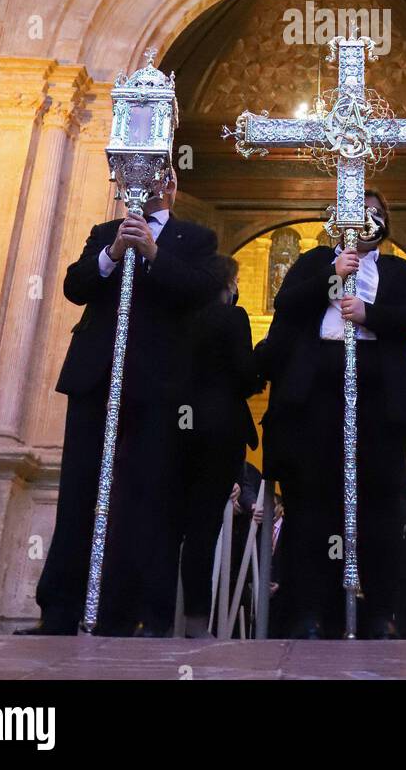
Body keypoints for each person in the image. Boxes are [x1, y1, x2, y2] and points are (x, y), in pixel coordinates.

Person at [20, 169, 220, 636]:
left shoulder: (196, 237)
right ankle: (60, 610)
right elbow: (75, 286)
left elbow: (200, 290)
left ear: (169, 184)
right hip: (96, 378)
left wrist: (153, 255)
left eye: (156, 178)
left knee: (145, 498)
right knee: (79, 495)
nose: (146, 186)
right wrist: (112, 255)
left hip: (156, 387)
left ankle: (128, 613)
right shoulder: (104, 233)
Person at [258, 188, 406, 638]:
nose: (365, 221)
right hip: (317, 389)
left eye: (375, 214)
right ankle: (311, 611)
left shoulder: (398, 270)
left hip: (379, 393)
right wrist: (333, 278)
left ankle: (379, 613)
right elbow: (288, 305)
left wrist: (369, 313)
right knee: (312, 503)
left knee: (379, 506)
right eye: (357, 213)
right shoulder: (315, 262)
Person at [179, 255, 258, 638]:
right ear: (228, 284)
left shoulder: (179, 318)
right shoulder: (233, 317)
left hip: (179, 426)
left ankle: (155, 617)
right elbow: (244, 373)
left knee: (169, 525)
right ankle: (196, 621)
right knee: (204, 527)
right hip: (220, 430)